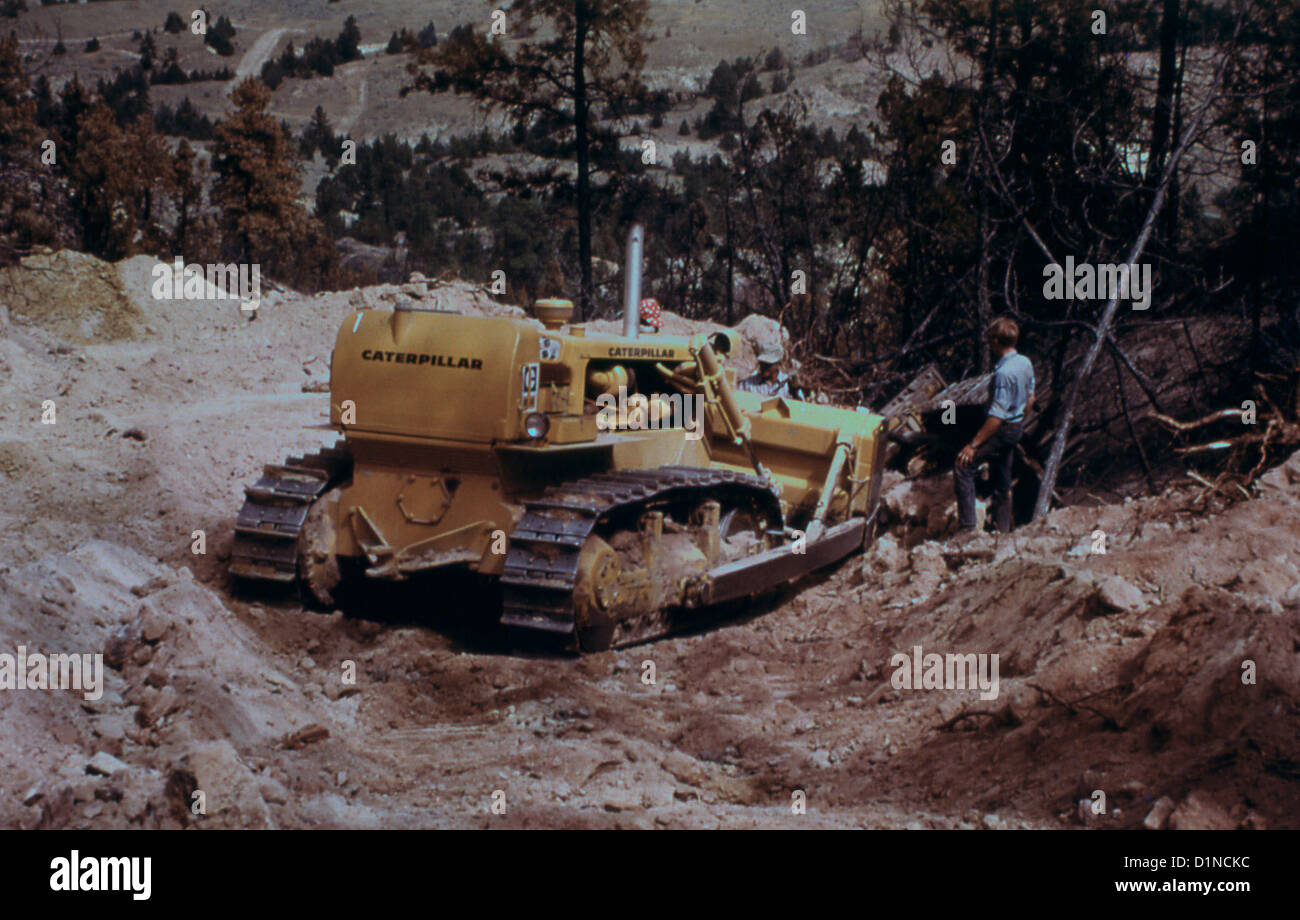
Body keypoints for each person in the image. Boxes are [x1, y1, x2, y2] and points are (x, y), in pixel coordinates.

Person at [953, 317, 1035, 536]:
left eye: (991, 340)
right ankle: (1004, 531)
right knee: (1002, 480)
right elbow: (1031, 398)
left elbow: (995, 419)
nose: (989, 344)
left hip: (1002, 428)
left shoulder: (1003, 374)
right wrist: (1018, 420)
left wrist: (973, 444)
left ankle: (967, 528)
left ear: (997, 341)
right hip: (1015, 427)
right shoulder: (1025, 363)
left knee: (963, 466)